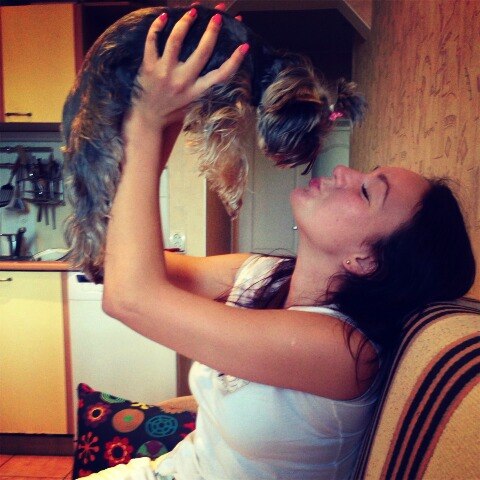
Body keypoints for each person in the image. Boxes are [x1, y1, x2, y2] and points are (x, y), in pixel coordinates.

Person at [81, 7, 476, 480]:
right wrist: (173, 111)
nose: (344, 171)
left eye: (368, 192)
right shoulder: (265, 275)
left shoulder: (343, 352)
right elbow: (114, 263)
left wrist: (145, 122)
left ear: (367, 260)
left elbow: (129, 297)